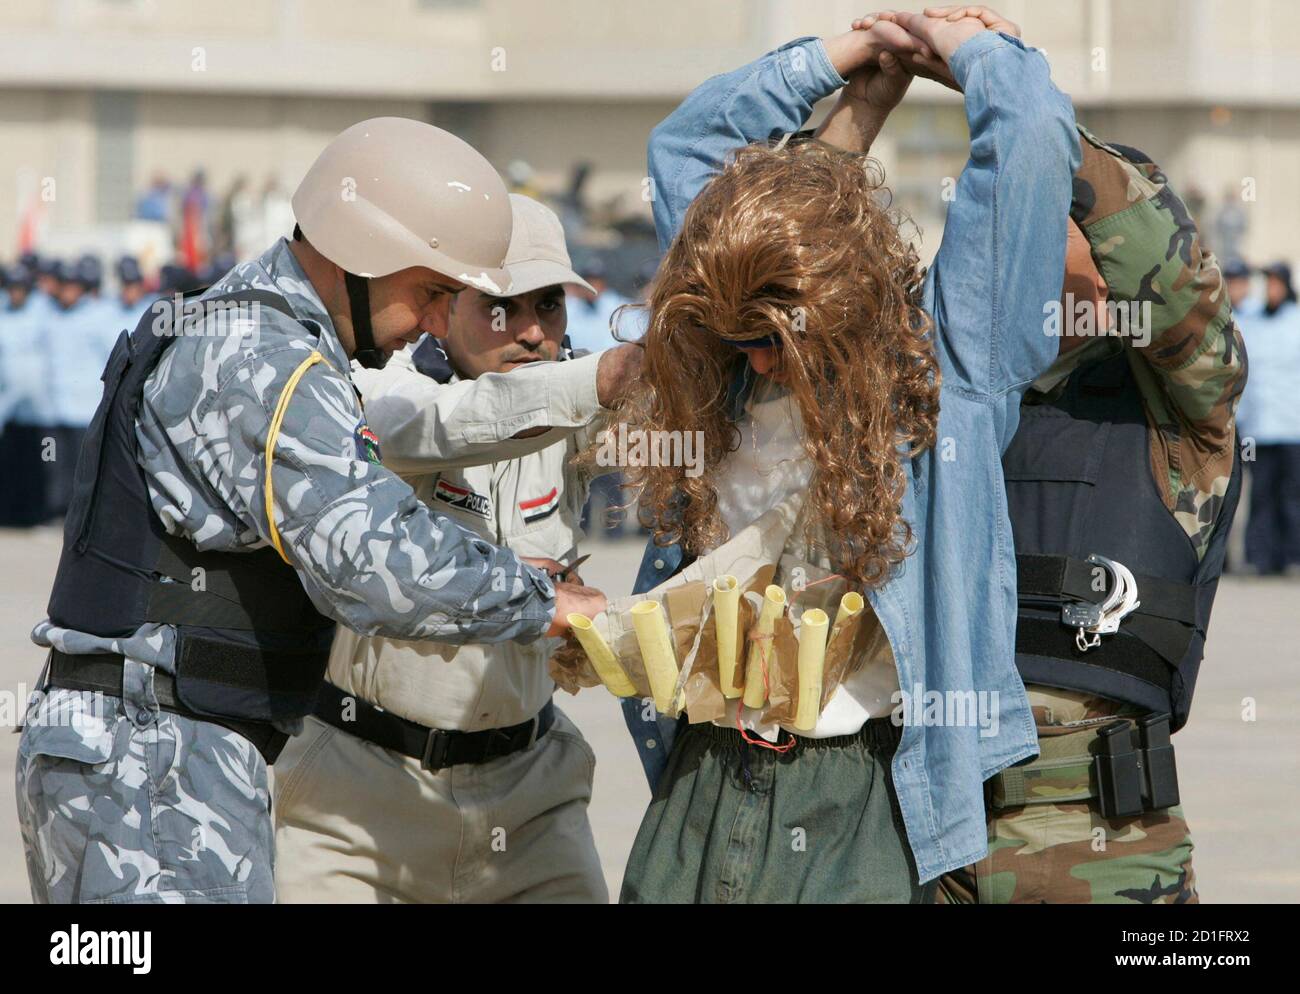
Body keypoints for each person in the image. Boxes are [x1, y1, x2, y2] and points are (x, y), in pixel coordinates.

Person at [15, 118, 601, 905]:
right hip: (152, 766)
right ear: (360, 253)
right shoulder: (265, 356)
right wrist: (546, 603)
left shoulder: (253, 327)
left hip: (157, 752)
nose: (434, 321)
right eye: (429, 291)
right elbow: (373, 566)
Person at [613, 10, 1079, 902]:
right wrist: (855, 71)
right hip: (700, 784)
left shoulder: (951, 374)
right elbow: (684, 148)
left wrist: (967, 49)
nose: (752, 361)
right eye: (736, 336)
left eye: (776, 338)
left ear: (845, 301)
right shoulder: (725, 345)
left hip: (862, 796)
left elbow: (1027, 141)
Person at [275, 195, 642, 903]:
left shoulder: (577, 407)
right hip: (359, 805)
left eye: (551, 306)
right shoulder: (380, 388)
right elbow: (454, 424)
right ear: (445, 305)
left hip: (529, 798)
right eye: (504, 307)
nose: (533, 332)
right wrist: (601, 379)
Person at [1237, 261, 1300, 575]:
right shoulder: (1250, 320)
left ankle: (1291, 557)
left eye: (1276, 283)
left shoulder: (1297, 322)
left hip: (1293, 427)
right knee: (1260, 492)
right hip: (1258, 426)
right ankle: (1261, 556)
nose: (1271, 290)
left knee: (1291, 494)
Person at [0, 261, 52, 527]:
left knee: (40, 463)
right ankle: (10, 515)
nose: (15, 293)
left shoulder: (42, 312)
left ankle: (36, 515)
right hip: (9, 409)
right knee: (10, 464)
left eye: (20, 288)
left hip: (39, 408)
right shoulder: (3, 314)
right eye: (11, 288)